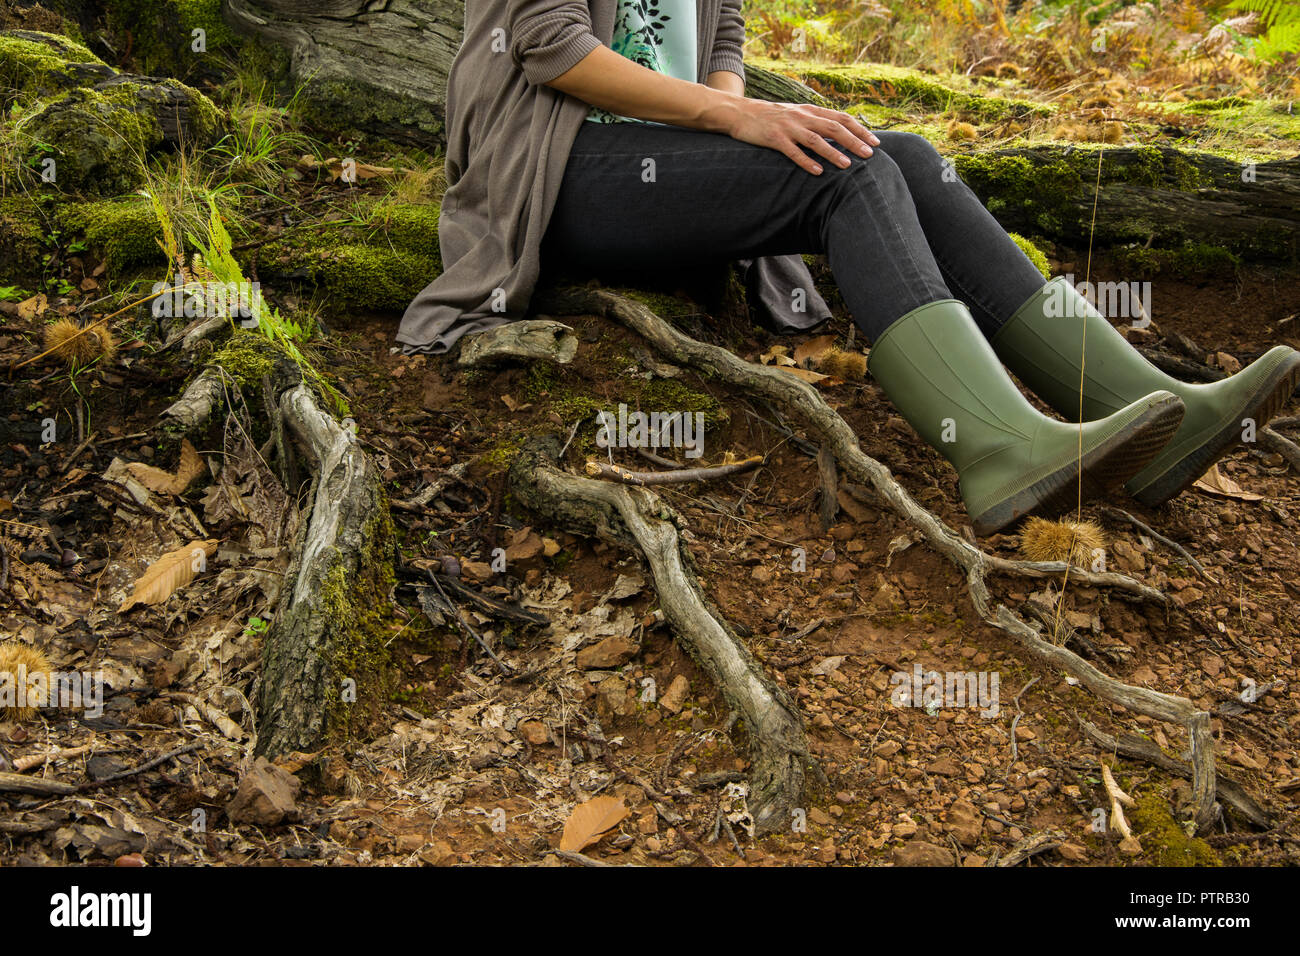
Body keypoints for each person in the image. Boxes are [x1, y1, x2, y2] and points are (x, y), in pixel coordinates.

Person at [398, 0, 1300, 535]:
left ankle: (1136, 401)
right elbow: (548, 44)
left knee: (899, 151)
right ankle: (994, 448)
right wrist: (732, 127)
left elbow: (725, 35)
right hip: (562, 173)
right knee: (851, 177)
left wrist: (727, 124)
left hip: (673, 158)